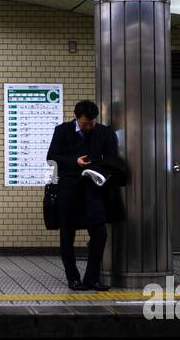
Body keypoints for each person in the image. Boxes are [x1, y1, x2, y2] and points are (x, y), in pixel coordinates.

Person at [45, 100, 129, 291]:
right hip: (69, 189)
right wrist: (74, 161)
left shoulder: (104, 132)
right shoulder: (62, 131)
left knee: (99, 232)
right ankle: (73, 278)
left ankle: (92, 278)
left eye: (91, 123)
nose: (88, 127)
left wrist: (97, 168)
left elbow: (112, 160)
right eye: (84, 124)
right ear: (77, 118)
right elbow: (51, 157)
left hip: (94, 189)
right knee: (67, 234)